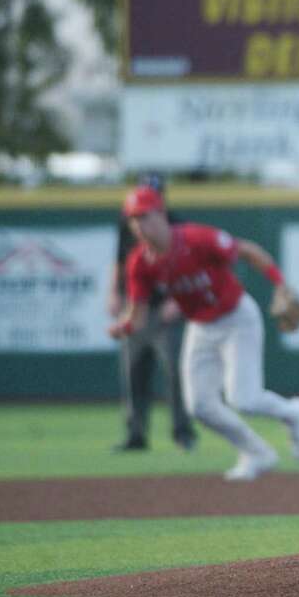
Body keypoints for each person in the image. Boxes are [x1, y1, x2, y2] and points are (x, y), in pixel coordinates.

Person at [109, 185, 299, 481]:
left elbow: (247, 250)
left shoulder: (195, 238)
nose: (140, 225)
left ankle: (293, 412)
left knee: (243, 399)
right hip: (201, 327)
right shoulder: (139, 262)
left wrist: (279, 283)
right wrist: (124, 326)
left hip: (236, 318)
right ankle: (257, 452)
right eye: (133, 219)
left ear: (162, 214)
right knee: (200, 406)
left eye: (145, 216)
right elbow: (137, 314)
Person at [108, 174, 197, 452]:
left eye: (154, 193)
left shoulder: (178, 224)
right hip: (137, 307)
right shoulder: (128, 223)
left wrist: (178, 301)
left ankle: (183, 433)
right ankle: (136, 434)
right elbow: (121, 261)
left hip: (165, 310)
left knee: (175, 373)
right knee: (133, 372)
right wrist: (113, 292)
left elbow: (192, 268)